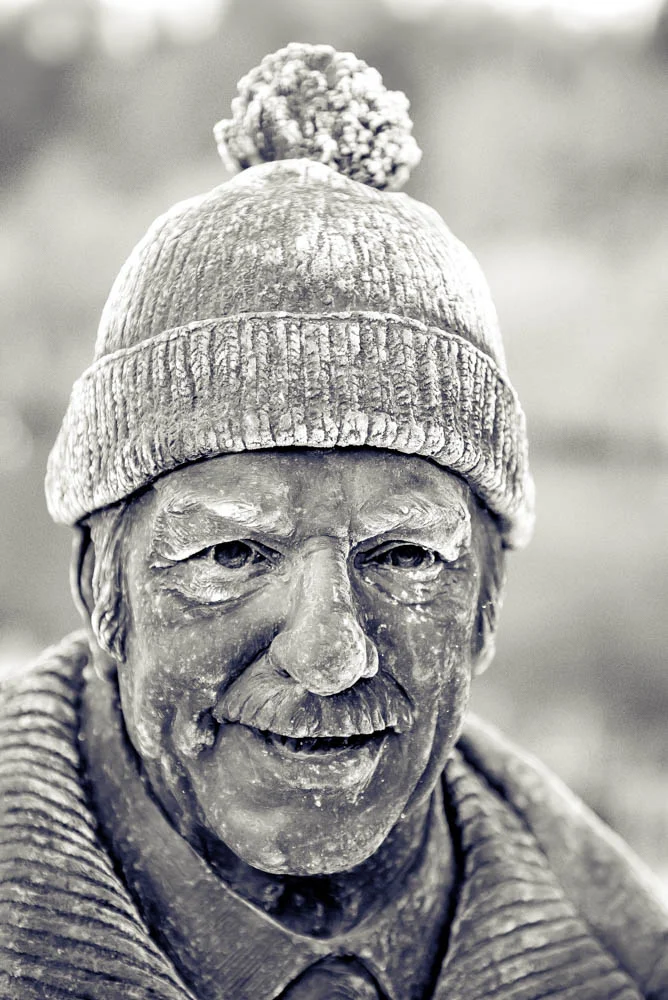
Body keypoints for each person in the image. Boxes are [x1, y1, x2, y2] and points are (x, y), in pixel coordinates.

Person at [1, 43, 666, 1000]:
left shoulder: (624, 956)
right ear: (101, 587)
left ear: (488, 601)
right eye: (231, 553)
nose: (330, 654)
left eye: (403, 557)